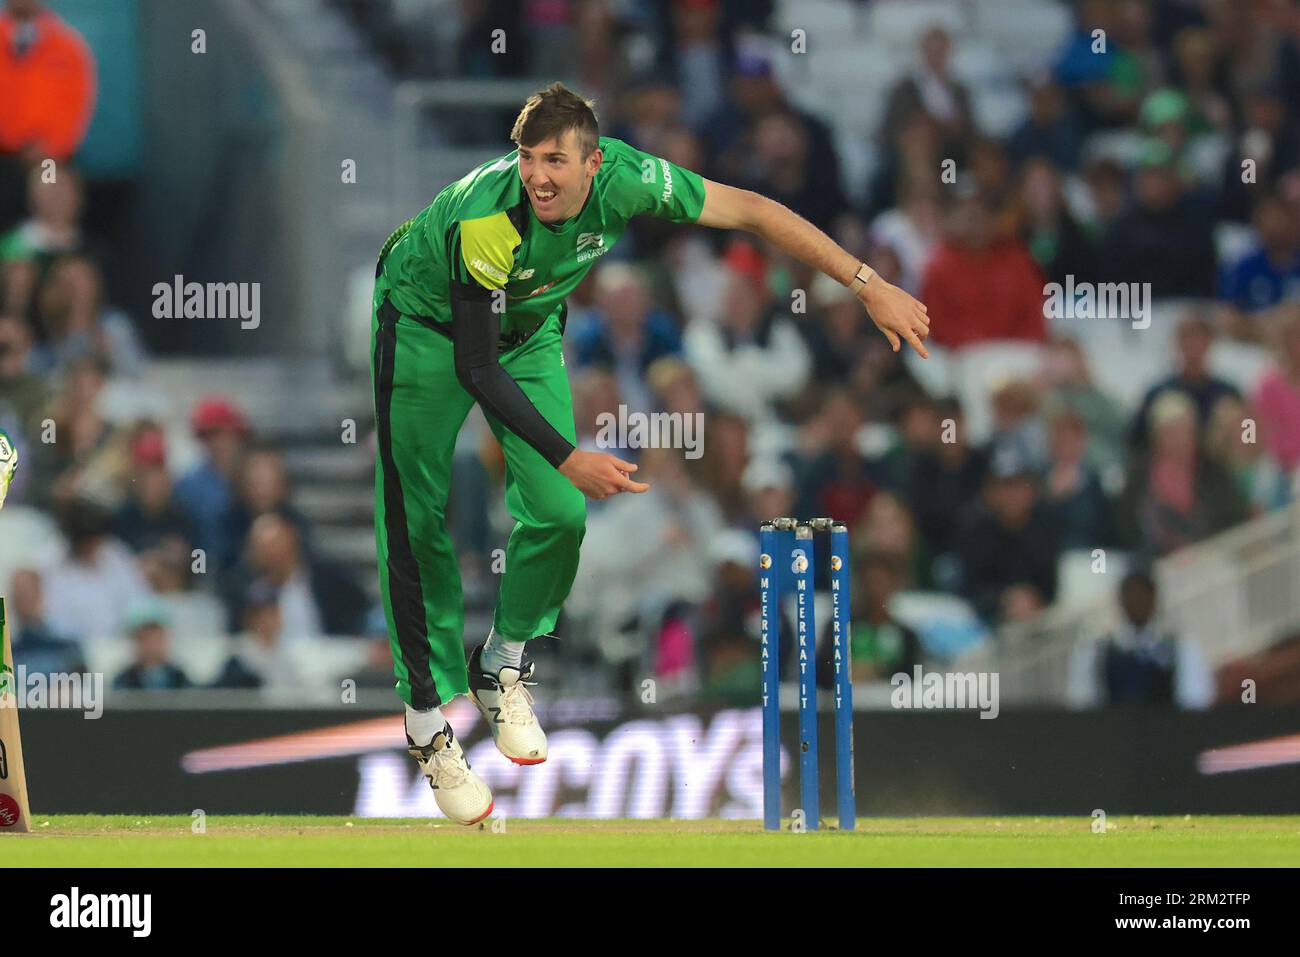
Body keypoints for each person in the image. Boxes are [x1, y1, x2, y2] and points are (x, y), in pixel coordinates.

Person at [370, 82, 931, 824]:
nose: (538, 175)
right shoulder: (486, 218)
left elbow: (756, 212)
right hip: (425, 326)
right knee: (416, 518)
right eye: (527, 158)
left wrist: (867, 283)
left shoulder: (632, 179)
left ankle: (502, 663)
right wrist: (569, 452)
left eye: (555, 161)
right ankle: (427, 723)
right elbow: (476, 368)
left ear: (595, 164)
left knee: (562, 517)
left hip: (530, 326)